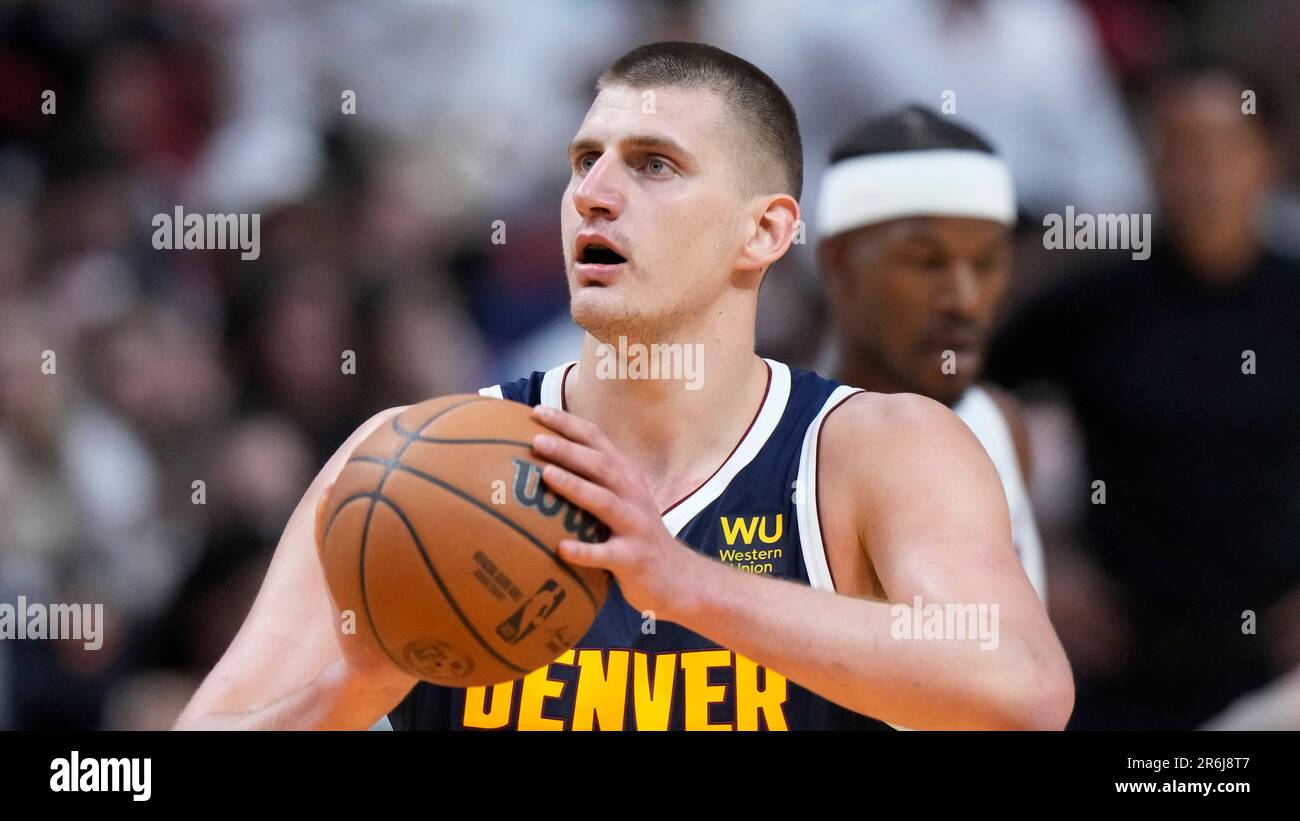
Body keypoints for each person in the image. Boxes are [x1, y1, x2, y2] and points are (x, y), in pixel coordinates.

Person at [175, 41, 1072, 731]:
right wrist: (349, 688)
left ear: (764, 232)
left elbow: (1023, 687)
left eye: (653, 164)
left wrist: (683, 583)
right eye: (582, 160)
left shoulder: (870, 450)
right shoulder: (403, 463)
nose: (596, 193)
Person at [985, 59, 1300, 729]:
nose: (1202, 174)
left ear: (1269, 157)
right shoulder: (1095, 303)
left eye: (1224, 148)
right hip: (1123, 665)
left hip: (1277, 669)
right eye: (1180, 149)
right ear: (1151, 161)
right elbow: (961, 398)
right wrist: (1029, 551)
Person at [816, 106, 1046, 602]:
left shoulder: (1001, 424)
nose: (964, 298)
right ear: (838, 261)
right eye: (926, 262)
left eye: (987, 262)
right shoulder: (782, 451)